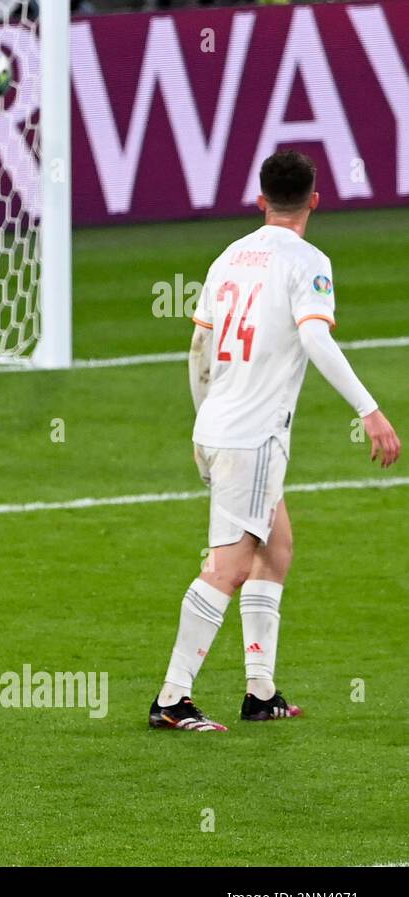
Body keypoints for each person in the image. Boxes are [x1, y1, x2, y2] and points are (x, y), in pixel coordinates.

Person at [150, 150, 400, 732]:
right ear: (315, 199)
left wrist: (204, 420)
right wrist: (370, 411)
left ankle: (260, 692)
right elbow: (315, 339)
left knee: (276, 548)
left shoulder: (228, 257)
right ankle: (172, 698)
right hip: (253, 437)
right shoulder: (308, 261)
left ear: (261, 199)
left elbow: (199, 349)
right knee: (229, 566)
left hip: (219, 427)